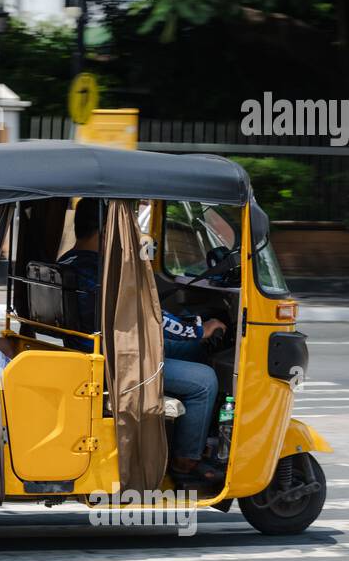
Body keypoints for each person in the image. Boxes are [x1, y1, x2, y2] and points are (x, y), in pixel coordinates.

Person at [58, 198, 225, 490]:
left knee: (192, 351)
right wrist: (199, 328)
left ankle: (190, 436)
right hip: (115, 359)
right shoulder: (103, 274)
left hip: (98, 347)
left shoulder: (70, 262)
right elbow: (150, 316)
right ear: (107, 230)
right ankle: (186, 461)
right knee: (205, 380)